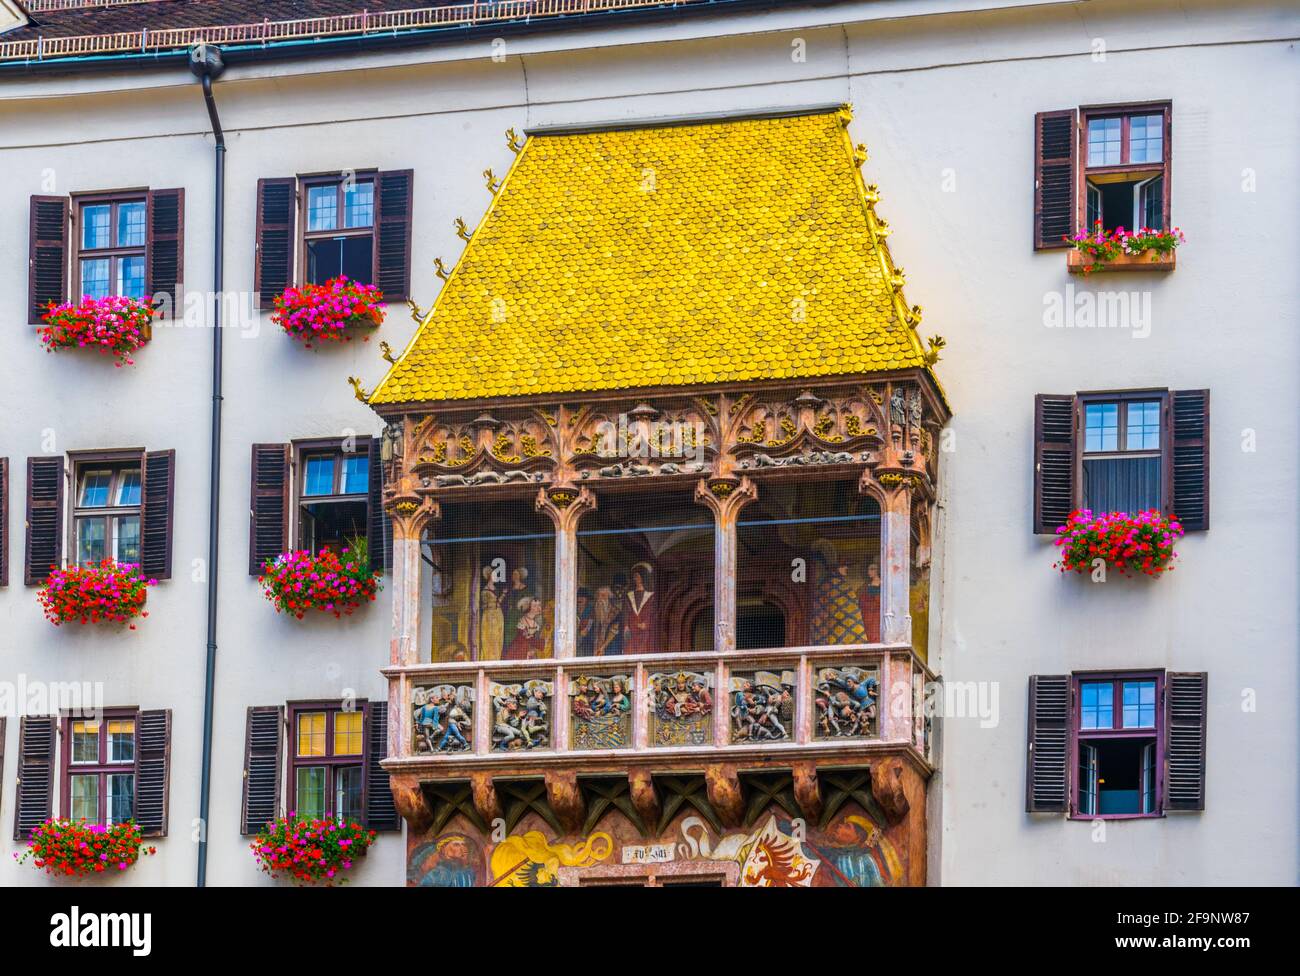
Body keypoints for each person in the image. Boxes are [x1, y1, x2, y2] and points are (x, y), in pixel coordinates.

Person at [623, 562, 658, 654]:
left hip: (645, 633)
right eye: (634, 577)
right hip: (632, 632)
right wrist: (626, 626)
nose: (636, 579)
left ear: (643, 577)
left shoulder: (651, 596)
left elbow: (653, 613)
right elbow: (626, 612)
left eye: (637, 576)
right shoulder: (629, 596)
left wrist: (646, 624)